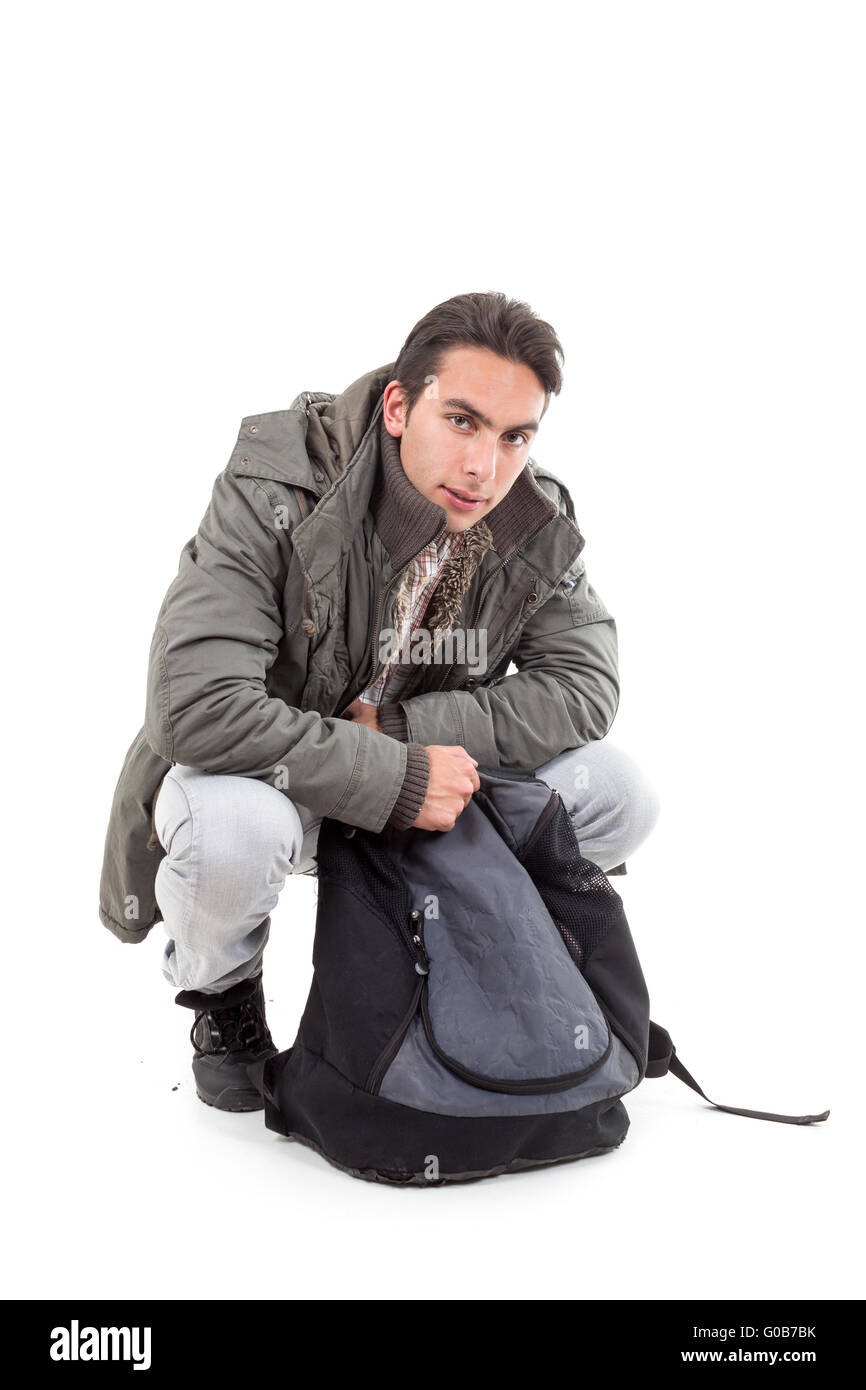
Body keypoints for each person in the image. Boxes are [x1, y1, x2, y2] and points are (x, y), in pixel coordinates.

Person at [98, 290, 661, 1112]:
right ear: (399, 405)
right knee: (229, 839)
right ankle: (223, 997)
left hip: (427, 792)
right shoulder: (280, 481)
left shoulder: (526, 514)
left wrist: (406, 732)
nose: (486, 467)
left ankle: (478, 957)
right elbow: (195, 705)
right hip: (280, 785)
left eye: (514, 436)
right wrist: (389, 773)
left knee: (620, 791)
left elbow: (583, 686)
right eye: (462, 421)